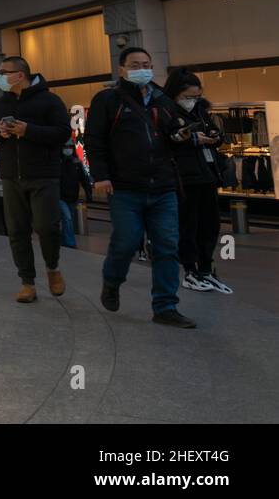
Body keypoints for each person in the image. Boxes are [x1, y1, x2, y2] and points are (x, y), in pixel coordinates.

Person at [84, 47, 196, 328]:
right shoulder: (107, 100)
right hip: (125, 188)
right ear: (121, 69)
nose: (142, 68)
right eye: (135, 64)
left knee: (167, 246)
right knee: (127, 241)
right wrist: (101, 175)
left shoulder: (161, 99)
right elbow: (94, 140)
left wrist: (180, 135)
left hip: (163, 186)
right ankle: (112, 280)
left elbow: (172, 133)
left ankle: (166, 306)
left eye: (146, 64)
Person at [0, 56, 71, 302]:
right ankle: (27, 282)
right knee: (17, 231)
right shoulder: (1, 104)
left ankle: (53, 269)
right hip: (11, 176)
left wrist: (27, 130)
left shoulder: (49, 100)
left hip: (44, 175)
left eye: (4, 72)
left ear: (20, 75)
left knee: (47, 227)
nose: (0, 76)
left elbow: (63, 133)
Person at [163, 68, 232, 294]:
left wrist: (215, 138)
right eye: (188, 97)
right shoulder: (166, 112)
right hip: (184, 177)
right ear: (175, 94)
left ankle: (206, 268)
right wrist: (191, 139)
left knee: (210, 224)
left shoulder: (202, 111)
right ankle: (190, 270)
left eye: (196, 96)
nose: (193, 101)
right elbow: (168, 140)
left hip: (207, 174)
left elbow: (214, 132)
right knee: (189, 224)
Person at [58, 140, 92, 249]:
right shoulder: (58, 162)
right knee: (67, 218)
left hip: (72, 197)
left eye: (69, 147)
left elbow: (84, 179)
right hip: (60, 196)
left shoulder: (76, 163)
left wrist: (88, 193)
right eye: (65, 146)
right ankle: (70, 243)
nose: (67, 149)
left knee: (68, 220)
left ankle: (63, 240)